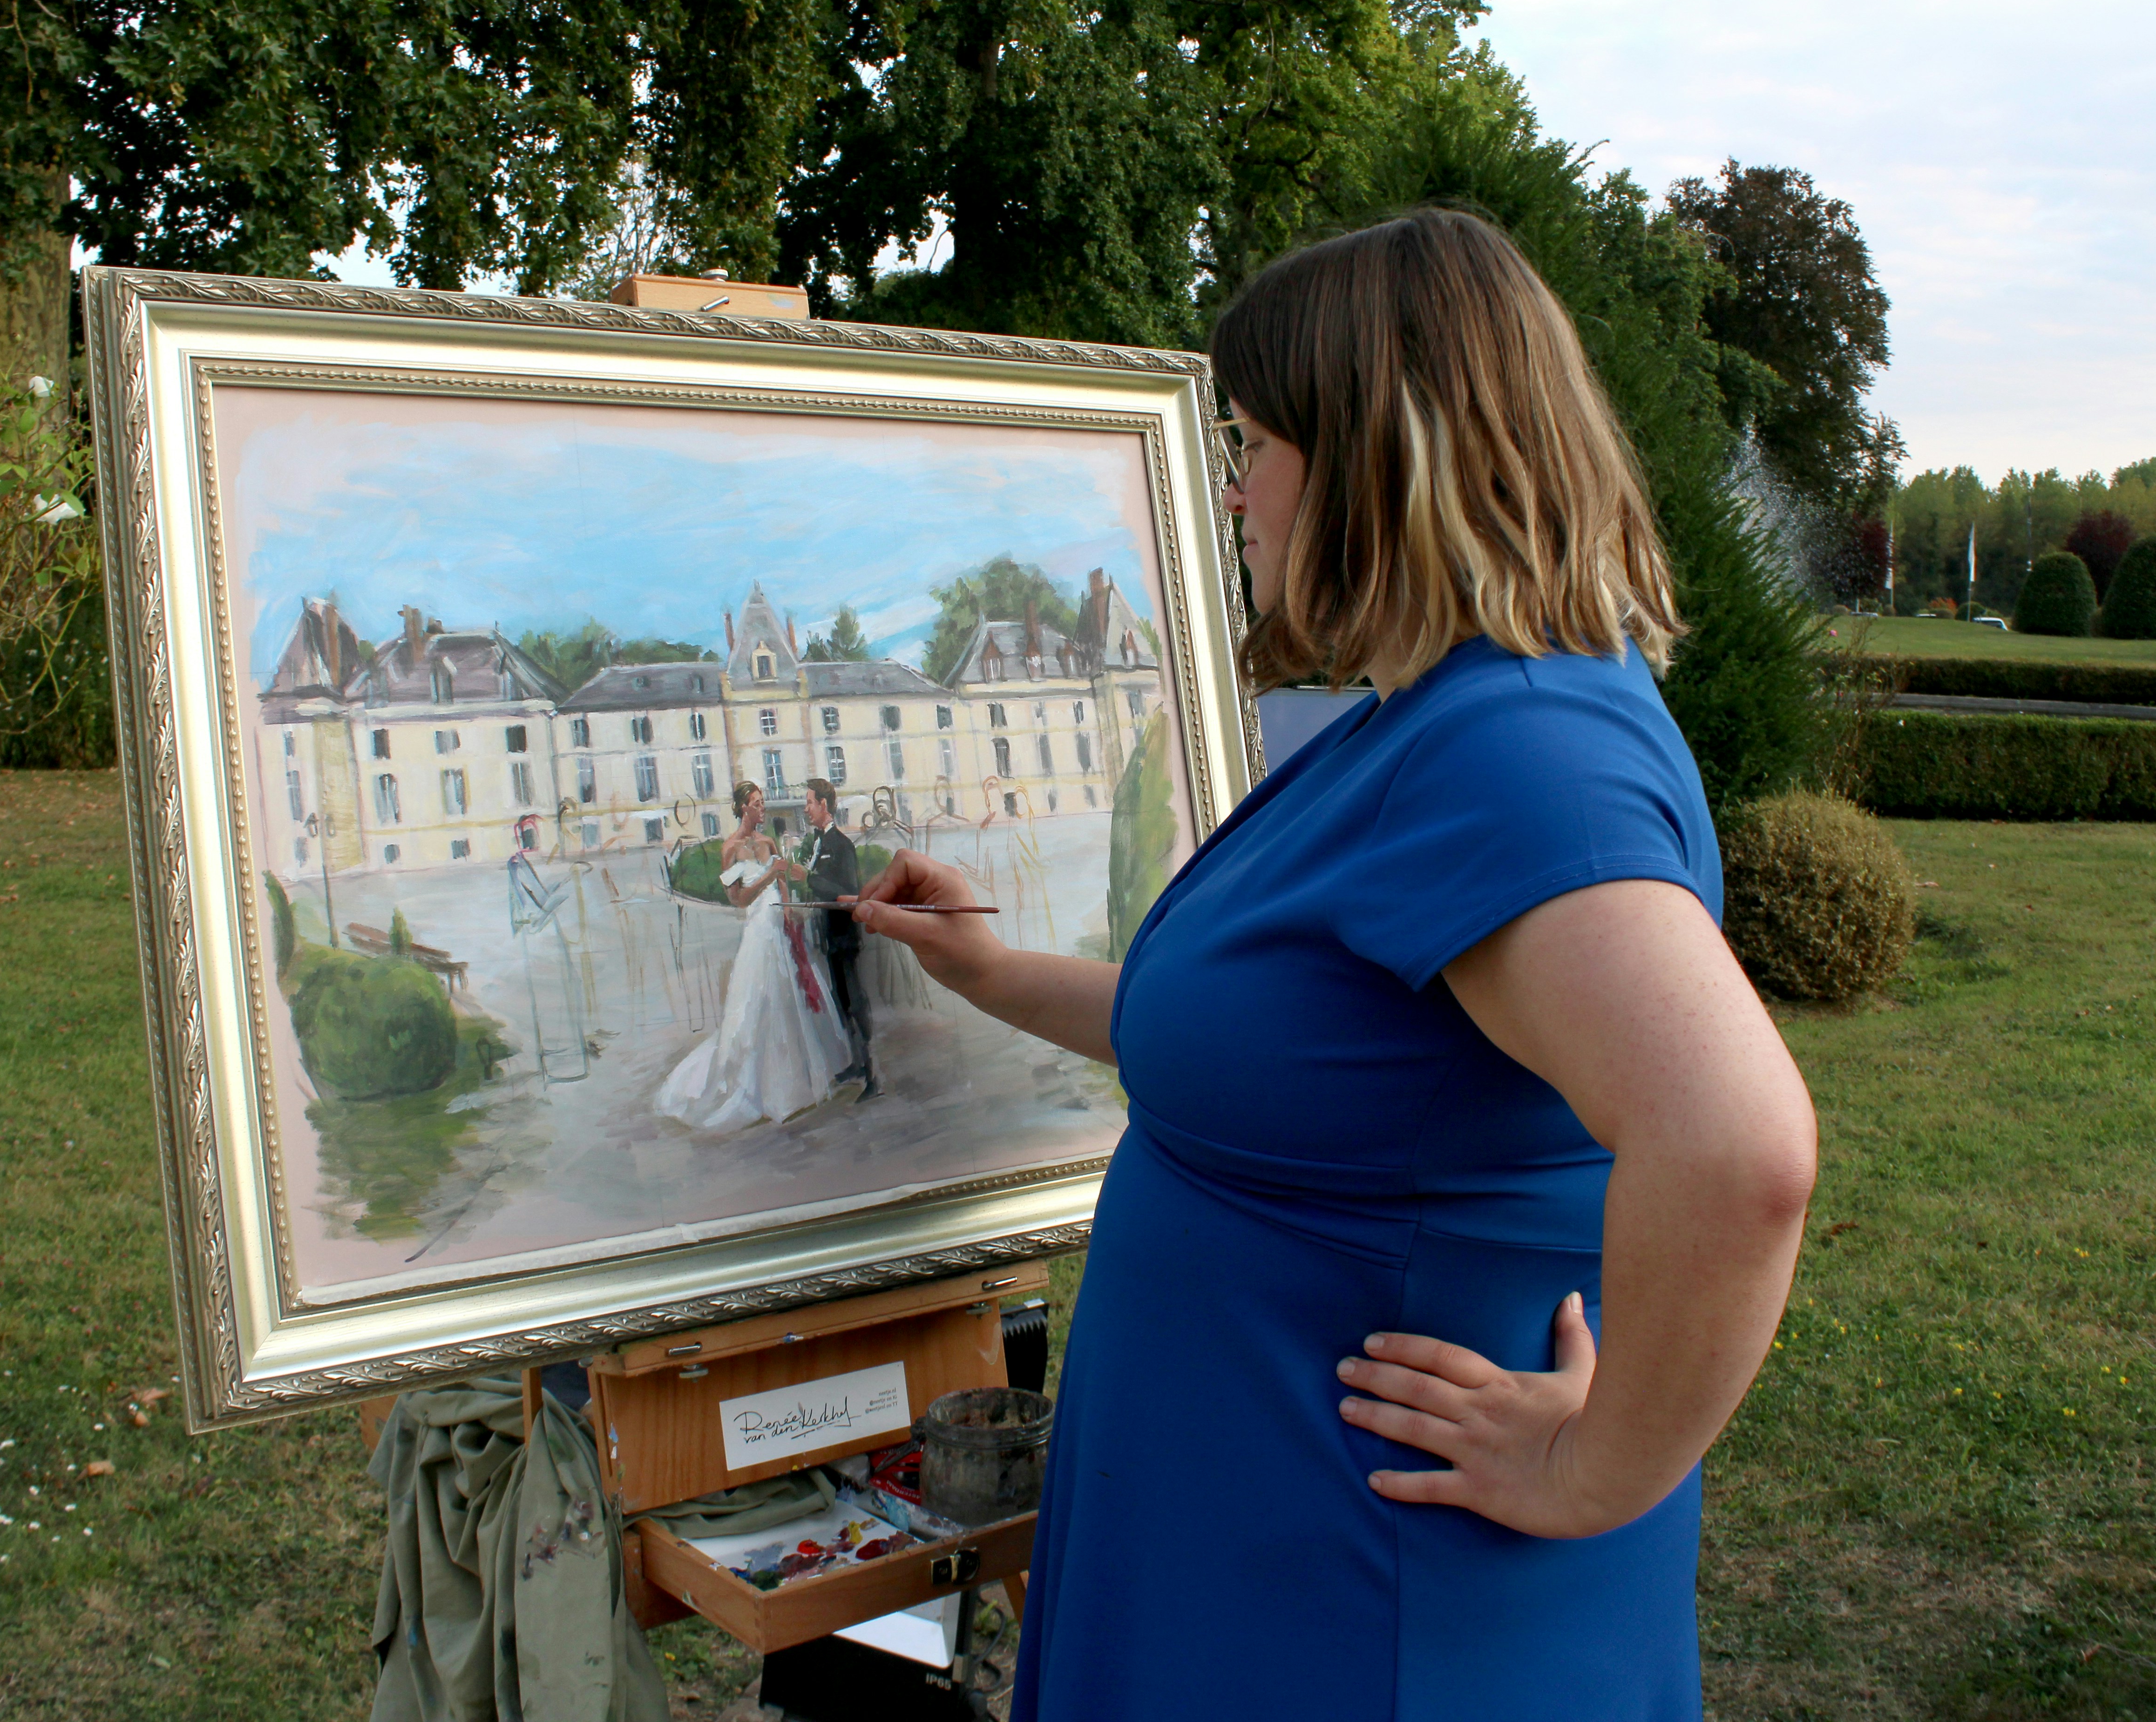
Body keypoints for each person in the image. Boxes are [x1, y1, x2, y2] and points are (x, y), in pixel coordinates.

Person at [851, 209, 1819, 1718]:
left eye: (1255, 444)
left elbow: (1739, 1148)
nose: (1234, 490)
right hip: (1266, 1555)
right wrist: (995, 970)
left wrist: (1595, 1466)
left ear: (1377, 456)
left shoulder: (1517, 752)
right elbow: (1299, 1061)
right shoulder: (1429, 720)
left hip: (1367, 1605)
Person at [654, 782, 854, 1133]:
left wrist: (790, 914)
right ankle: (759, 1088)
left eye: (762, 803)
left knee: (792, 997)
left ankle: (799, 1081)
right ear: (743, 808)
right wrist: (770, 876)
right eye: (757, 804)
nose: (763, 809)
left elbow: (784, 884)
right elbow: (738, 900)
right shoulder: (731, 850)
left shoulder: (769, 843)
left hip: (780, 926)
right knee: (759, 1002)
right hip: (759, 932)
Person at [797, 777, 876, 1097]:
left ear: (823, 805)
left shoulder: (842, 846)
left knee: (855, 1002)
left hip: (844, 937)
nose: (806, 809)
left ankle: (873, 1076)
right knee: (841, 1001)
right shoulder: (819, 843)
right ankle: (858, 1064)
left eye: (809, 803)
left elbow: (849, 893)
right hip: (830, 937)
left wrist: (810, 879)